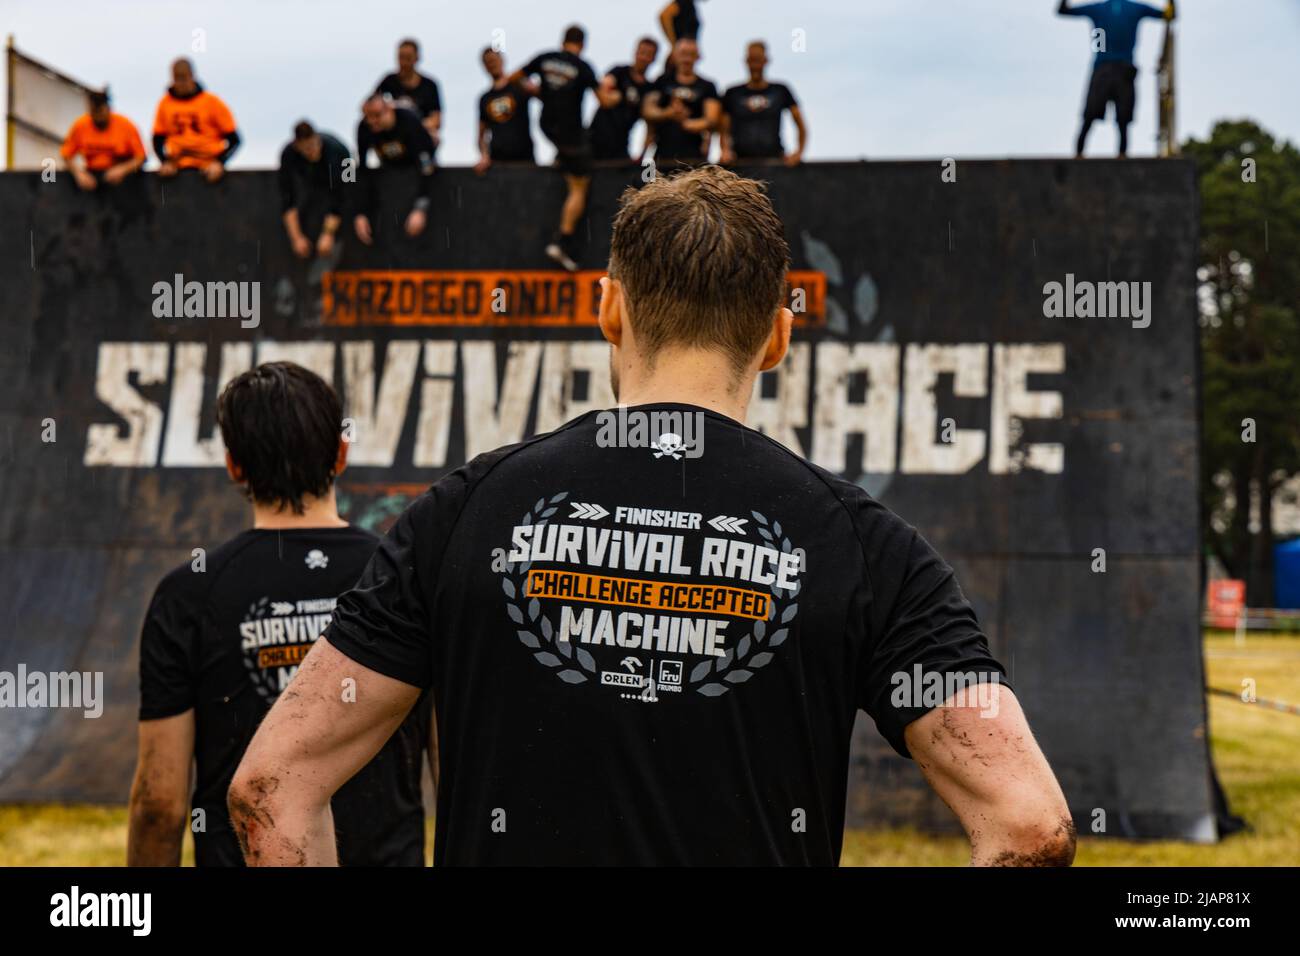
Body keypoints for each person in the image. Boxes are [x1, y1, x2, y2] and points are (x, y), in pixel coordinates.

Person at [229, 166, 1077, 868]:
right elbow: (1032, 826)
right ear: (779, 338)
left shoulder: (462, 514)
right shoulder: (868, 549)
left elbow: (271, 788)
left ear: (608, 309)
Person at [128, 362, 433, 867]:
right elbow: (454, 765)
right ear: (342, 452)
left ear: (233, 465)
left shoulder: (187, 594)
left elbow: (160, 803)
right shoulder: (406, 574)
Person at [508, 25, 619, 271]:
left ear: (563, 40)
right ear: (582, 44)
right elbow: (604, 101)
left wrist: (540, 92)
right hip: (571, 133)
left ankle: (561, 159)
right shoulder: (582, 66)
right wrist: (616, 97)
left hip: (547, 126)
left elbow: (513, 77)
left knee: (568, 160)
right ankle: (563, 241)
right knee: (579, 185)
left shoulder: (545, 58)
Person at [1058, 0, 1176, 157]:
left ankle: (1115, 155)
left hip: (1114, 68)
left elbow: (1063, 10)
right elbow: (1170, 15)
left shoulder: (1120, 8)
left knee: (1119, 119)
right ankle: (1083, 155)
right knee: (1098, 117)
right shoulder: (1102, 8)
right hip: (1107, 67)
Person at [353, 94, 436, 245]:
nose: (372, 121)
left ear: (389, 110)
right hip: (388, 169)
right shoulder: (364, 128)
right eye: (367, 116)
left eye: (377, 116)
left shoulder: (409, 121)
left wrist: (421, 208)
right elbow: (361, 171)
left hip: (416, 165)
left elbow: (427, 166)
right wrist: (360, 212)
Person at [151, 58, 240, 182]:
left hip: (208, 166)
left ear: (192, 76)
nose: (181, 84)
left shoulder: (212, 102)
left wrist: (219, 162)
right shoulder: (165, 104)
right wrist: (165, 162)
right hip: (178, 167)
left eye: (184, 78)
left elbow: (235, 140)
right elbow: (157, 140)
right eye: (178, 79)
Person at [720, 41, 807, 166]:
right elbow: (723, 129)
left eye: (758, 60)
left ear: (766, 60)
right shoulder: (733, 93)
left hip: (774, 160)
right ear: (746, 61)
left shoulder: (780, 90)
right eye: (752, 60)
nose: (755, 65)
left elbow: (800, 123)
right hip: (740, 162)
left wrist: (798, 152)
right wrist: (725, 151)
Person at [278, 121, 351, 259]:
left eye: (314, 146)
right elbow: (287, 197)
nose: (312, 151)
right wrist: (296, 237)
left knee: (347, 193)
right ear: (297, 146)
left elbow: (341, 194)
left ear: (318, 139)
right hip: (310, 181)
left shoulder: (338, 151)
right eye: (306, 149)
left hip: (343, 172)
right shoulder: (288, 154)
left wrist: (328, 233)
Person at [643, 37, 720, 165]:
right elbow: (648, 110)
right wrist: (668, 112)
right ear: (675, 55)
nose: (687, 59)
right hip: (661, 157)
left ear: (698, 57)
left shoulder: (707, 86)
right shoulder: (662, 81)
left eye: (691, 55)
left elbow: (712, 119)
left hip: (695, 159)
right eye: (683, 54)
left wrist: (687, 122)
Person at [589, 37, 659, 163]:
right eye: (641, 52)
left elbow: (650, 126)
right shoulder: (619, 71)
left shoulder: (649, 90)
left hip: (620, 146)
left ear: (654, 59)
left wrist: (642, 155)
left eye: (648, 54)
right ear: (635, 52)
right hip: (594, 139)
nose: (643, 58)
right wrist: (613, 96)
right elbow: (603, 90)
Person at [60, 90, 146, 191]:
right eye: (94, 112)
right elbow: (66, 155)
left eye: (100, 111)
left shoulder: (126, 126)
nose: (97, 117)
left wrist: (123, 170)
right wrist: (79, 173)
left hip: (123, 180)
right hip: (93, 176)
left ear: (108, 108)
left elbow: (140, 158)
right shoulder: (81, 126)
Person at [476, 47, 535, 174]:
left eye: (494, 60)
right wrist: (484, 156)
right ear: (484, 66)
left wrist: (532, 87)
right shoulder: (485, 98)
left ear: (502, 60)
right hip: (497, 160)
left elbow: (545, 98)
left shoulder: (518, 87)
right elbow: (481, 135)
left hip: (524, 157)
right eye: (487, 61)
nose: (492, 64)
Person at [374, 38, 443, 144]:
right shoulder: (388, 82)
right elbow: (370, 108)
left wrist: (413, 126)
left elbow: (436, 120)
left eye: (408, 58)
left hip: (419, 138)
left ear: (417, 58)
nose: (404, 63)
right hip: (393, 139)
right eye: (401, 57)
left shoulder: (429, 85)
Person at [657, 0, 705, 75]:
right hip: (679, 55)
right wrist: (674, 45)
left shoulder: (691, 6)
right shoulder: (683, 2)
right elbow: (664, 16)